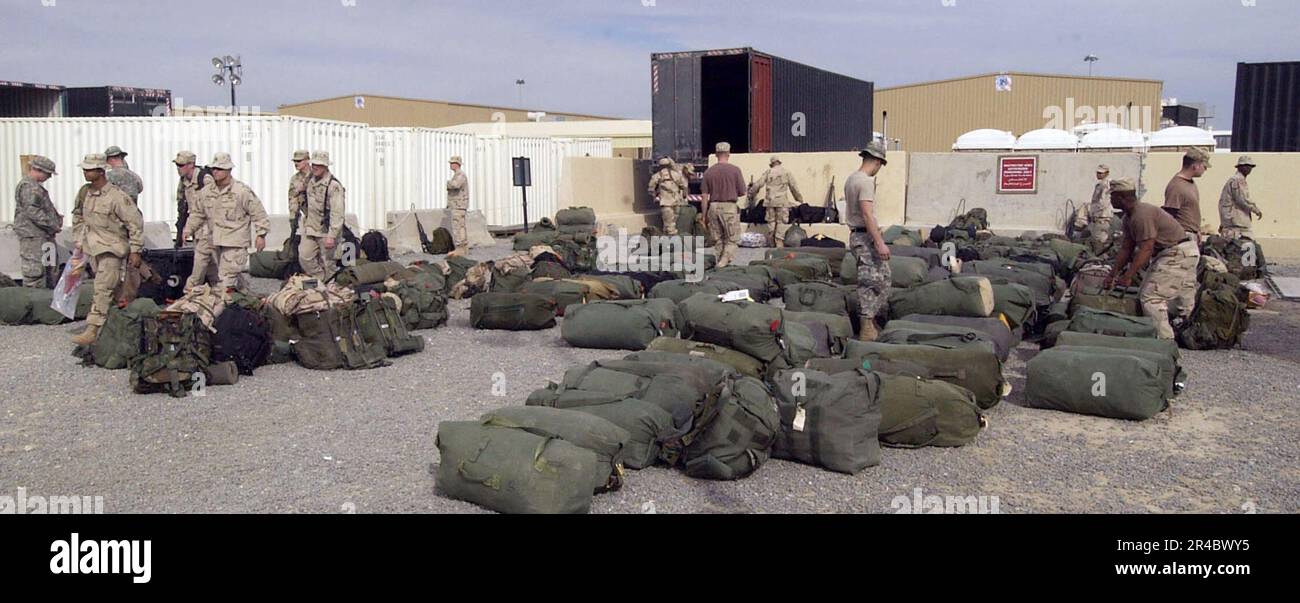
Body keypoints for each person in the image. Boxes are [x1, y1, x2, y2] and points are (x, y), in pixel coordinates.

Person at [1104, 178, 1199, 340]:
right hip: (1171, 253)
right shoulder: (1129, 217)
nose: (1110, 200)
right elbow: (1126, 249)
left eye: (1112, 197)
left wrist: (1128, 276)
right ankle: (1185, 332)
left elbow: (1146, 249)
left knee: (1151, 298)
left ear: (1121, 198)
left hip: (1177, 253)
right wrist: (1113, 274)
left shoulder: (1142, 214)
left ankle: (1165, 342)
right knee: (1160, 297)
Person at [70, 154, 143, 346]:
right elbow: (77, 215)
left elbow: (135, 223)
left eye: (89, 169)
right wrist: (79, 239)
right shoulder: (85, 192)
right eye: (84, 169)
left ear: (101, 171)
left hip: (112, 248)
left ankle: (93, 328)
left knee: (102, 288)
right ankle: (121, 327)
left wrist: (136, 250)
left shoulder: (117, 197)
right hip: (93, 248)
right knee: (115, 291)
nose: (85, 172)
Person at [182, 153, 268, 291]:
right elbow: (198, 213)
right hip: (216, 243)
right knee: (231, 281)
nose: (215, 171)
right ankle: (247, 303)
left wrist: (261, 235)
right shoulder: (206, 192)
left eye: (220, 169)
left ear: (229, 170)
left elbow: (258, 213)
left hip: (235, 244)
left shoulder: (241, 191)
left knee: (224, 283)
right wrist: (188, 229)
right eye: (214, 168)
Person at [844, 141, 892, 341]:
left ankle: (869, 322)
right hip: (865, 236)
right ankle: (866, 325)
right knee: (873, 281)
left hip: (859, 234)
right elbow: (867, 214)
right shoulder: (865, 182)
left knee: (878, 278)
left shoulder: (851, 179)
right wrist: (879, 241)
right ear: (878, 162)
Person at [1162, 147, 1210, 316]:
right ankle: (1183, 317)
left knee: (1188, 282)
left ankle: (1183, 314)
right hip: (1182, 239)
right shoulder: (1176, 186)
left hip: (1191, 236)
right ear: (1195, 165)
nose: (1205, 169)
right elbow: (1169, 216)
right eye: (1204, 165)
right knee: (1184, 281)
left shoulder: (1190, 184)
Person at [13, 156, 62, 289]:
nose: (49, 177)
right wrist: (53, 224)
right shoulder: (29, 187)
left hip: (44, 236)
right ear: (38, 170)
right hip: (33, 237)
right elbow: (33, 212)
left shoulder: (35, 187)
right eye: (48, 174)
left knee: (50, 269)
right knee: (35, 272)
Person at [298, 151, 346, 279]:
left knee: (328, 263)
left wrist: (332, 235)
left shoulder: (333, 186)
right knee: (305, 257)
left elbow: (337, 213)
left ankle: (329, 287)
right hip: (311, 228)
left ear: (325, 166)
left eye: (318, 165)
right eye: (313, 164)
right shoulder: (309, 181)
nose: (315, 167)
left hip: (326, 230)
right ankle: (320, 279)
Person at [174, 151, 217, 289]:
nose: (178, 168)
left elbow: (212, 207)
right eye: (177, 165)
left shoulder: (204, 180)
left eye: (181, 165)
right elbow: (183, 207)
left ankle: (188, 294)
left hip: (208, 229)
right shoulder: (184, 181)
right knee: (212, 268)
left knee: (198, 268)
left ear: (191, 164)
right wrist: (185, 228)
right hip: (197, 228)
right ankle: (227, 293)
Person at [700, 142, 746, 268]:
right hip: (729, 207)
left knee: (718, 239)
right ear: (728, 154)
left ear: (716, 154)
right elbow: (742, 192)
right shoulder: (735, 170)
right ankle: (724, 261)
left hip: (713, 207)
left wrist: (704, 216)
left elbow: (704, 196)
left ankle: (720, 263)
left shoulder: (708, 172)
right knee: (732, 238)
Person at [749, 156, 804, 247]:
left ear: (771, 164)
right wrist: (799, 198)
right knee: (781, 221)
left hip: (770, 202)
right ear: (779, 162)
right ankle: (779, 241)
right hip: (782, 202)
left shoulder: (768, 172)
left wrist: (751, 193)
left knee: (771, 221)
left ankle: (771, 240)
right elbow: (793, 187)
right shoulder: (786, 172)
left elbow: (758, 184)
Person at [1219, 156, 1263, 239]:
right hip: (1236, 224)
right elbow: (1242, 200)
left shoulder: (1235, 180)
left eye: (1250, 167)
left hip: (1232, 223)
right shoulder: (1238, 180)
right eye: (1247, 166)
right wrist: (1255, 209)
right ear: (1241, 167)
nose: (1250, 169)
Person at [648, 157, 688, 236]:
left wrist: (655, 195)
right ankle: (667, 242)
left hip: (666, 204)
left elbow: (650, 189)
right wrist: (683, 195)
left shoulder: (657, 176)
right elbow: (684, 186)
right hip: (676, 203)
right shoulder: (676, 174)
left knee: (669, 226)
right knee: (671, 224)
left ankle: (671, 244)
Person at [1083, 164, 1113, 251]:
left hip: (1102, 217)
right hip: (1100, 217)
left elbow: (1103, 202)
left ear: (1107, 173)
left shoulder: (1105, 185)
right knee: (1097, 240)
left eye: (1101, 173)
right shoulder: (1101, 184)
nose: (1098, 175)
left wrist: (1095, 213)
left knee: (1099, 242)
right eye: (1098, 173)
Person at [447, 156, 469, 254]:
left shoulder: (460, 175)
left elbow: (455, 185)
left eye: (452, 163)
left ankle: (460, 247)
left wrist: (448, 183)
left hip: (458, 205)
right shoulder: (457, 174)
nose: (451, 165)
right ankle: (462, 247)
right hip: (457, 205)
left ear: (457, 164)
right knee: (460, 226)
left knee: (458, 226)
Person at [287, 150, 311, 234]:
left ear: (307, 161)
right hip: (309, 218)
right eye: (295, 161)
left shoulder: (316, 175)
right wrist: (293, 218)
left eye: (299, 161)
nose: (296, 163)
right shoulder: (295, 179)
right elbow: (293, 198)